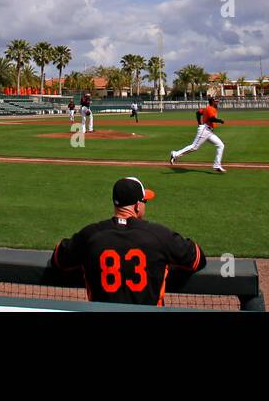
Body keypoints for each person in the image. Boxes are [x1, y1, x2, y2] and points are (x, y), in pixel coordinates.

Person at [50, 177, 205, 306]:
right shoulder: (159, 235)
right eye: (145, 201)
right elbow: (198, 259)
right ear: (138, 205)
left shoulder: (90, 235)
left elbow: (58, 259)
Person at [170, 95, 226, 172]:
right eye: (216, 101)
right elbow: (212, 119)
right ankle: (175, 154)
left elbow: (198, 113)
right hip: (205, 130)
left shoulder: (209, 108)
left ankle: (217, 165)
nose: (218, 102)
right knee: (194, 147)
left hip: (209, 132)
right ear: (212, 101)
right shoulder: (210, 108)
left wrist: (199, 123)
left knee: (220, 145)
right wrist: (220, 121)